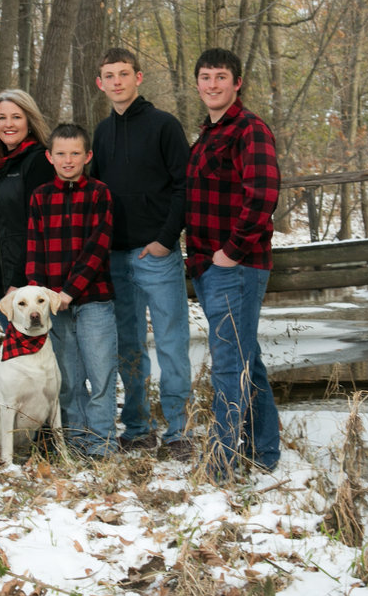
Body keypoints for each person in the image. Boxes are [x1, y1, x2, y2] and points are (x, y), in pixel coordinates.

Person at [90, 48, 192, 459]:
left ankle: (178, 433)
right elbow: (93, 194)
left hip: (158, 256)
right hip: (114, 257)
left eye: (124, 74)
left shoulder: (164, 126)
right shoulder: (100, 133)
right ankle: (137, 428)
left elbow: (185, 187)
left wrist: (166, 239)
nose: (117, 81)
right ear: (100, 84)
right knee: (128, 346)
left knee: (171, 343)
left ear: (139, 77)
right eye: (109, 75)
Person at [184, 48, 281, 478]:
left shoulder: (249, 130)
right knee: (245, 359)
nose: (212, 84)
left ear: (236, 82)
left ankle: (221, 461)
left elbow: (262, 195)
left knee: (228, 363)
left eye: (221, 77)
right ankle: (264, 451)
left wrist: (231, 252)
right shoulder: (209, 133)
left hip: (235, 267)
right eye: (205, 77)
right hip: (210, 266)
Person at [26, 124, 118, 458]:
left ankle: (103, 443)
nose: (68, 160)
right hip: (54, 305)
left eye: (75, 153)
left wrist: (69, 291)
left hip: (94, 300)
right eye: (61, 154)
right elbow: (34, 250)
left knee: (101, 374)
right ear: (50, 157)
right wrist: (42, 298)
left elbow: (97, 247)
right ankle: (77, 443)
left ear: (87, 156)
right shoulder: (39, 197)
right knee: (68, 379)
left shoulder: (99, 193)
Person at [0, 89, 54, 329]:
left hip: (27, 287)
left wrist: (20, 281)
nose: (8, 124)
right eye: (2, 117)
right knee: (24, 361)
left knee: (45, 359)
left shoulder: (40, 160)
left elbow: (39, 227)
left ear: (30, 121)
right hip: (0, 283)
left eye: (16, 117)